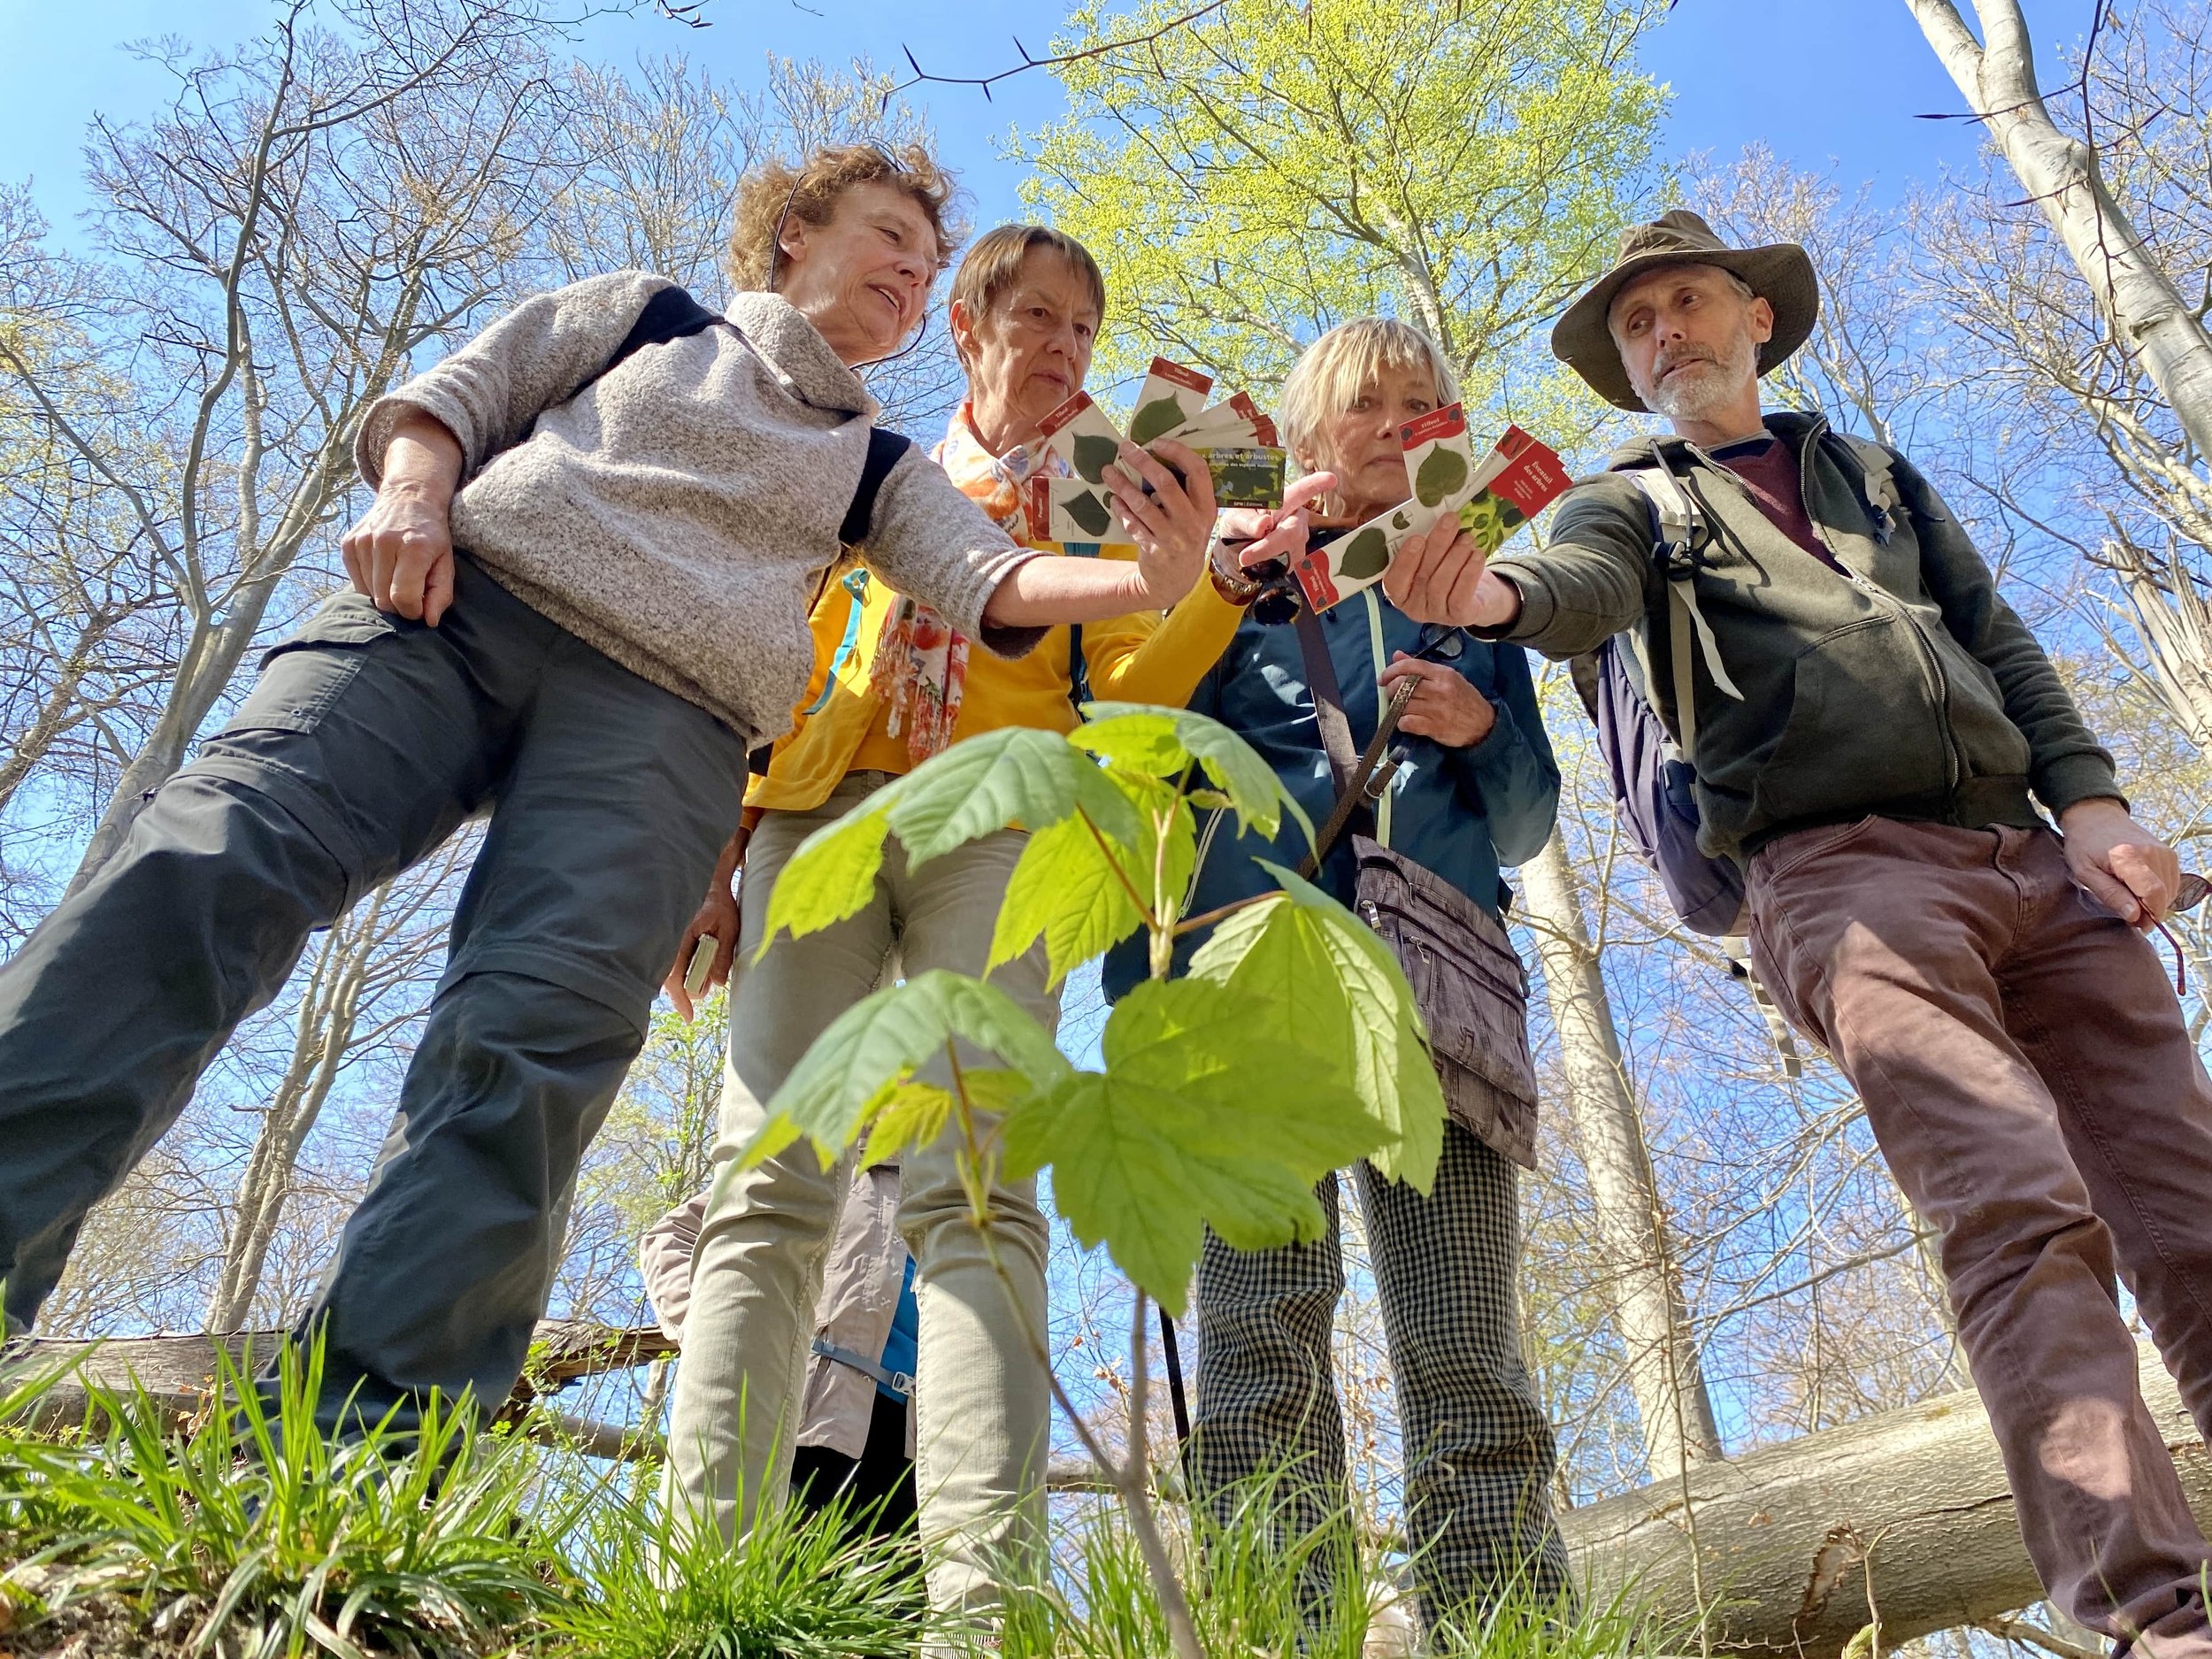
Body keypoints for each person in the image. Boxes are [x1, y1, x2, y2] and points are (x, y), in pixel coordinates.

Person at [0, 143, 1268, 1440]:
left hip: (667, 719)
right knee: (210, 864)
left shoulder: (881, 466)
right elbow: (458, 394)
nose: (909, 267)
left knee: (539, 1036)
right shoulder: (649, 315)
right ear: (793, 232)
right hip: (454, 604)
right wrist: (413, 491)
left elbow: (990, 580)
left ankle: (370, 1434)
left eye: (926, 257)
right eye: (890, 234)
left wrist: (1153, 578)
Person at [1372, 208, 2212, 1657]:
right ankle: (2157, 1615)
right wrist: (1494, 594)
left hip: (2041, 867)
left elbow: (1998, 641)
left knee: (2191, 1214)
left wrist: (2098, 805)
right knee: (2020, 1217)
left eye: (1687, 305)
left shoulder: (1876, 475)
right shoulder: (1630, 499)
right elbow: (1568, 589)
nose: (1665, 337)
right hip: (1842, 883)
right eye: (1638, 326)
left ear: (1755, 318)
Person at [656, 221, 1270, 1624]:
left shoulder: (1122, 497)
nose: (1062, 347)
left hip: (1000, 829)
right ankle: (700, 1593)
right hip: (819, 813)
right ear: (969, 333)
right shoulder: (872, 466)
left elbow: (1132, 687)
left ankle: (981, 1609)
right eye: (1038, 317)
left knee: (977, 1197)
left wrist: (1210, 584)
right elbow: (782, 650)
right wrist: (722, 843)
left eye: (1084, 329)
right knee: (768, 1180)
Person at [1118, 317, 1573, 1635]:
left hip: (1436, 987)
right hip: (1250, 978)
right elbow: (1140, 760)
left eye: (1421, 404)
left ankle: (1504, 1626)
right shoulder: (1235, 579)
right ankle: (1281, 1625)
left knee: (1463, 1343)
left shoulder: (1476, 591)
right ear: (1308, 432)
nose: (1394, 426)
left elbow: (1529, 821)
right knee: (1260, 1328)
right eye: (1366, 405)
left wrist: (1483, 724)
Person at [640, 1167, 920, 1546]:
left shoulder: (955, 1202)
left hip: (919, 1445)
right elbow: (673, 1236)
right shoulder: (823, 1170)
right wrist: (714, 1332)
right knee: (777, 1576)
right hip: (814, 1415)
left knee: (896, 1598)